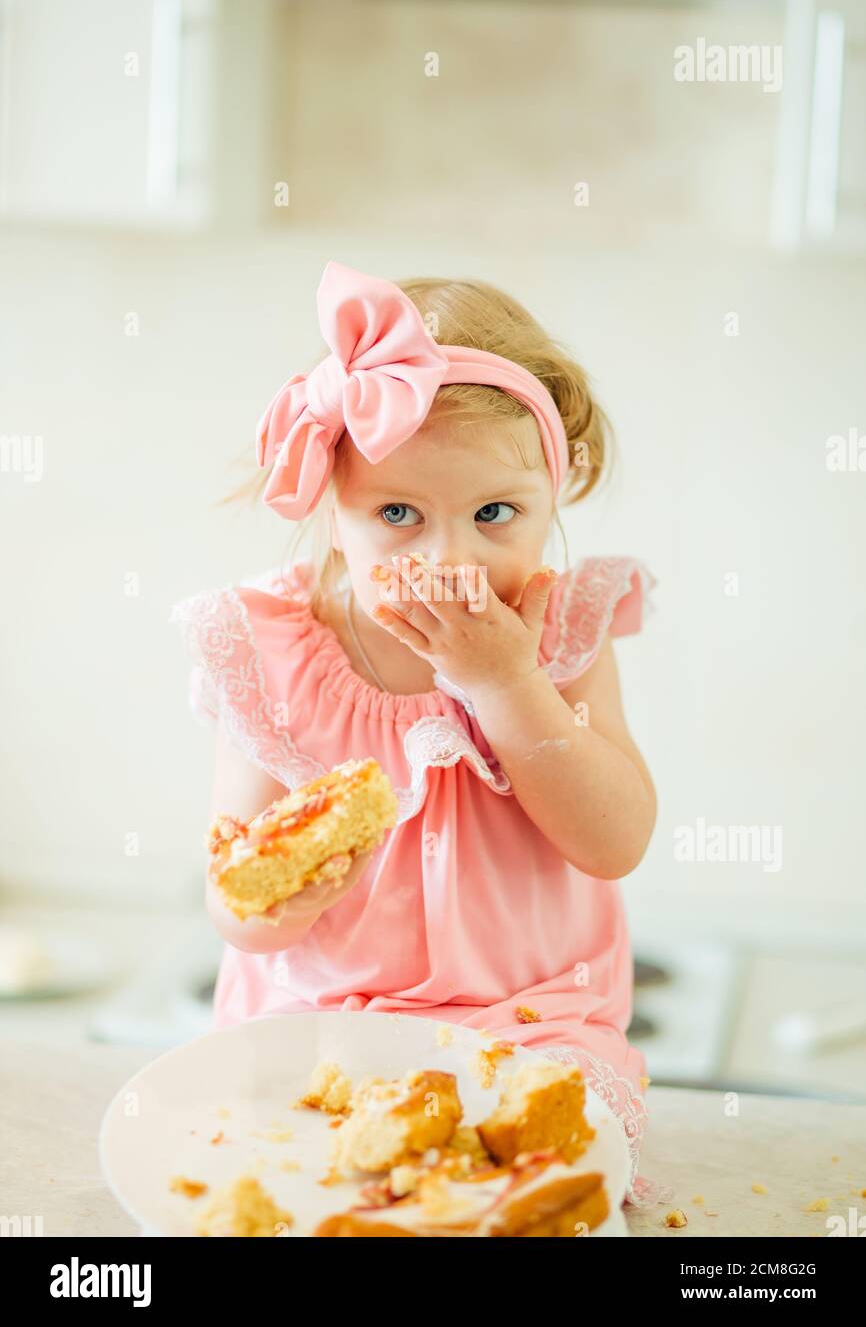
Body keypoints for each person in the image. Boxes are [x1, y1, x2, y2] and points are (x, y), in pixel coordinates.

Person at [171, 260, 667, 1208]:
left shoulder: (559, 636)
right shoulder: (273, 652)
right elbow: (234, 901)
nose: (451, 558)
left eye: (496, 515)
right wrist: (294, 893)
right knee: (312, 1192)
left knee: (537, 1189)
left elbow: (616, 842)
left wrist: (508, 684)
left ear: (552, 502)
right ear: (330, 507)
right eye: (397, 515)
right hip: (316, 1020)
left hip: (533, 1023)